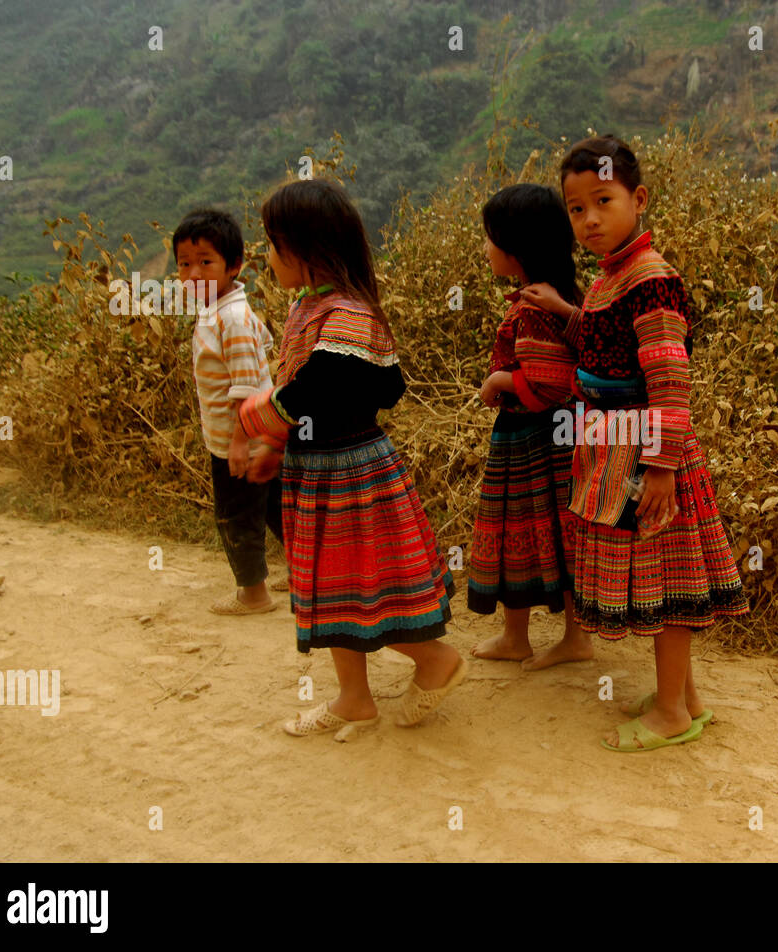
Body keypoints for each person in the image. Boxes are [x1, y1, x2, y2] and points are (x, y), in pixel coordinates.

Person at [522, 135, 750, 751]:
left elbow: (669, 379)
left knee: (667, 583)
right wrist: (568, 314)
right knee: (662, 577)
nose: (589, 218)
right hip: (617, 445)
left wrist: (660, 468)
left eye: (603, 200)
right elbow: (608, 344)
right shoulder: (611, 278)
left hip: (645, 452)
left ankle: (672, 711)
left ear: (638, 198)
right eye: (576, 208)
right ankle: (686, 698)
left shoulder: (650, 278)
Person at [238, 179, 466, 736]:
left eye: (272, 243)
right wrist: (279, 443)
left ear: (306, 247)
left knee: (373, 579)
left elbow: (328, 388)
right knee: (330, 583)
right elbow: (328, 391)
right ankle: (354, 698)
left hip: (351, 471)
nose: (266, 257)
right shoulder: (311, 306)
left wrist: (261, 416)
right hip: (318, 470)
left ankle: (436, 661)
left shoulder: (346, 314)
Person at [470, 184, 593, 671]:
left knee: (525, 529)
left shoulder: (534, 307)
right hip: (548, 438)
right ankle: (528, 636)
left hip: (536, 439)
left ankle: (551, 637)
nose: (485, 248)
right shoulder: (555, 297)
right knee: (544, 533)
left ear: (515, 247)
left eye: (489, 238)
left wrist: (498, 380)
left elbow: (548, 382)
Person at [175, 208, 285, 615]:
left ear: (233, 265)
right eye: (184, 264)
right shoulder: (225, 311)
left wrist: (240, 441)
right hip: (256, 435)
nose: (192, 274)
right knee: (274, 504)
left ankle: (253, 594)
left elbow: (245, 384)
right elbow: (264, 352)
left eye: (205, 262)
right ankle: (305, 569)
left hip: (239, 441)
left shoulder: (231, 317)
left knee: (236, 515)